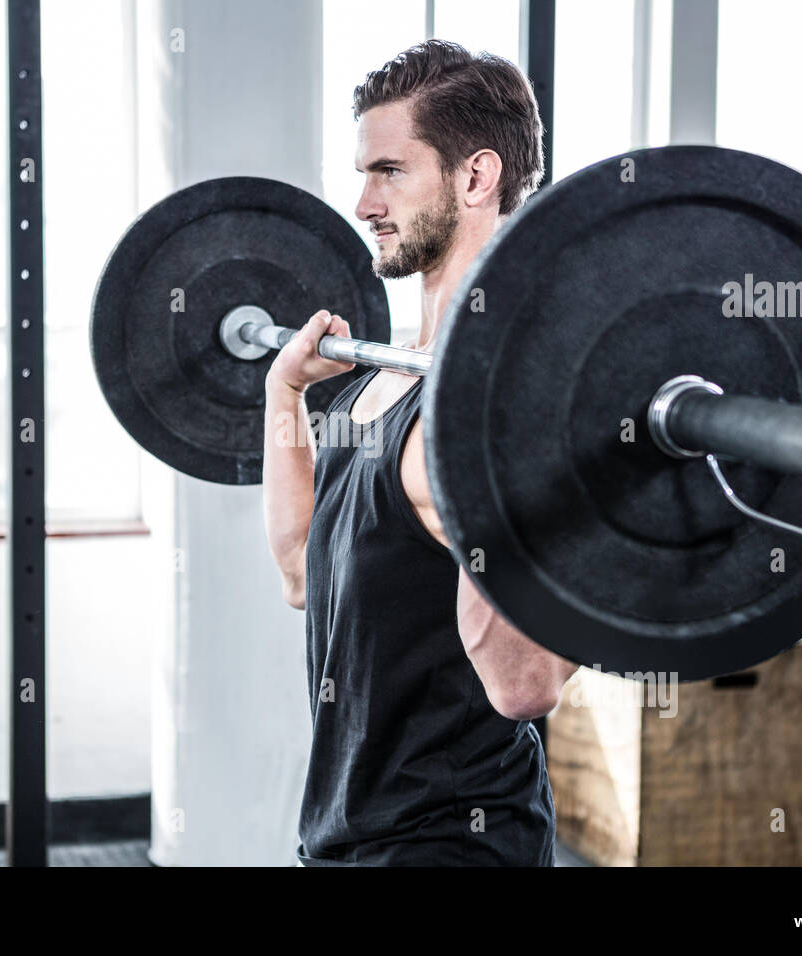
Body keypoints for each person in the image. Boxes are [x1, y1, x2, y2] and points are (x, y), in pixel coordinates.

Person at [262, 39, 579, 866]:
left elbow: (526, 683)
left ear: (476, 178)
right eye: (364, 172)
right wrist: (283, 396)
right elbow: (303, 573)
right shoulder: (384, 381)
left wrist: (483, 462)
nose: (363, 200)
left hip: (453, 843)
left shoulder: (512, 394)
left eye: (390, 172)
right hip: (345, 831)